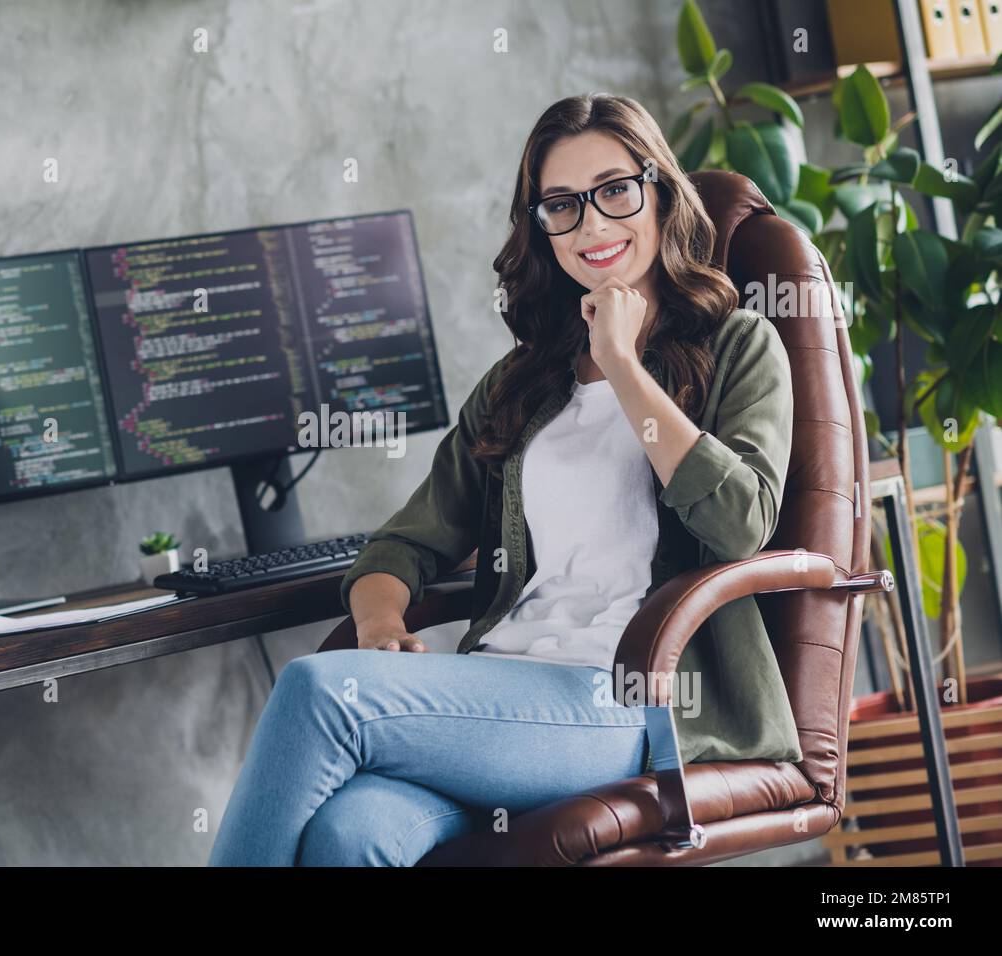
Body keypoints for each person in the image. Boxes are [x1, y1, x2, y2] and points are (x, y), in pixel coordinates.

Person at [208, 92, 799, 867]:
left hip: (626, 702)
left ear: (659, 191)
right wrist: (382, 626)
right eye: (561, 205)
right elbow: (401, 546)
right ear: (540, 225)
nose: (591, 225)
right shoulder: (519, 385)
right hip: (498, 697)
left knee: (322, 693)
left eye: (615, 190)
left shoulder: (738, 346)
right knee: (348, 837)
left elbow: (740, 523)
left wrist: (622, 362)